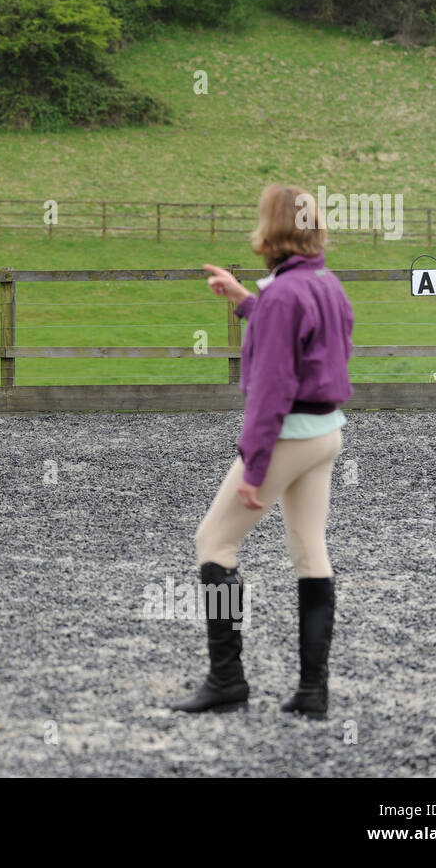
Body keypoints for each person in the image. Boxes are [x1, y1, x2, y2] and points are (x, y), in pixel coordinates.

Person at [173, 183, 354, 717]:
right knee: (310, 552)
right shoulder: (326, 282)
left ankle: (227, 681)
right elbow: (301, 338)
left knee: (214, 544)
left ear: (270, 229)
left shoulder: (282, 295)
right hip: (326, 434)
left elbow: (271, 389)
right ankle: (311, 692)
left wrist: (254, 466)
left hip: (288, 438)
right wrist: (245, 300)